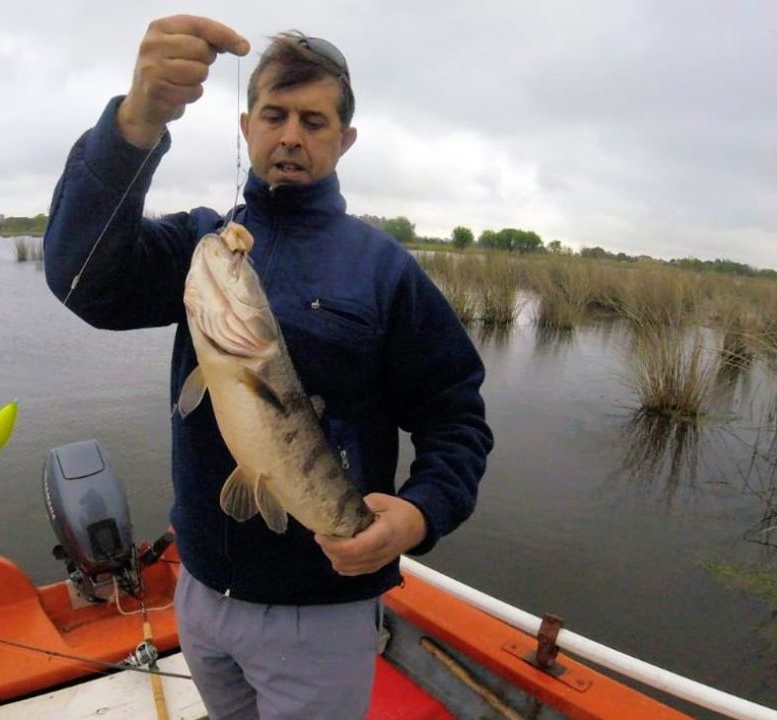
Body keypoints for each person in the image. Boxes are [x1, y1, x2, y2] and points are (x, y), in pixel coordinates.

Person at [44, 15, 492, 720]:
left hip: (322, 613)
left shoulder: (384, 271)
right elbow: (81, 280)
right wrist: (136, 121)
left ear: (344, 140)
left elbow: (456, 418)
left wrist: (417, 514)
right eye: (275, 115)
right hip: (200, 594)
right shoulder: (203, 246)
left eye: (314, 121)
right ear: (246, 125)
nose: (290, 136)